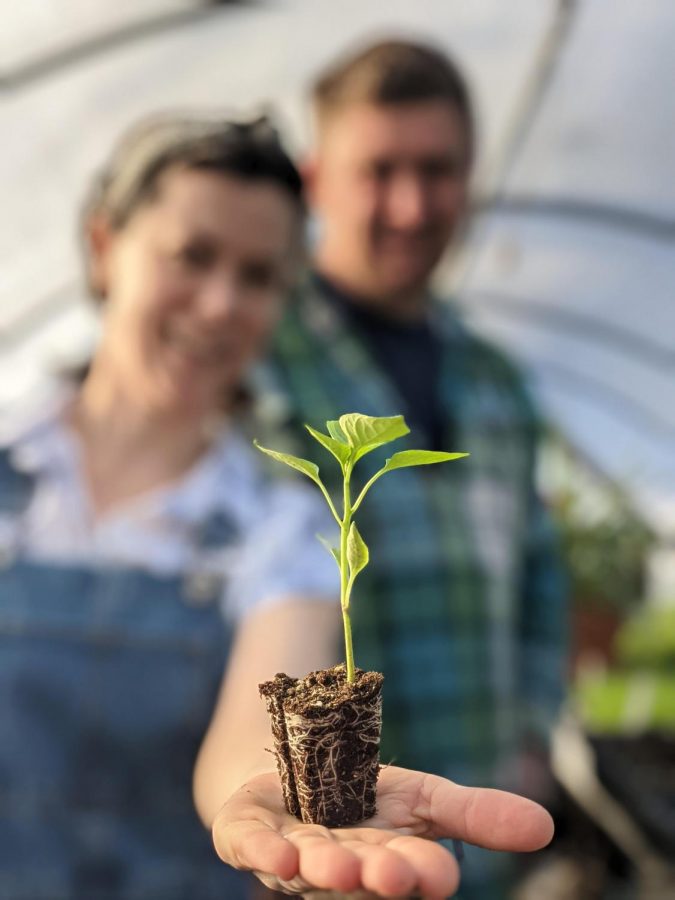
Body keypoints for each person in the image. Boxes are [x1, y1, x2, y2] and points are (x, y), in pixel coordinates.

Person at [0, 110, 555, 900]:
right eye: (192, 256)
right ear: (102, 248)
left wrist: (279, 799)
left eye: (258, 277)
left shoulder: (278, 518)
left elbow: (258, 720)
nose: (223, 302)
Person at [254, 39, 569, 898]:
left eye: (438, 170)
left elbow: (541, 572)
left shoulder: (496, 381)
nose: (410, 204)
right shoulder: (257, 354)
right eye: (378, 170)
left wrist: (533, 741)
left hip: (482, 829)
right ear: (317, 178)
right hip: (328, 852)